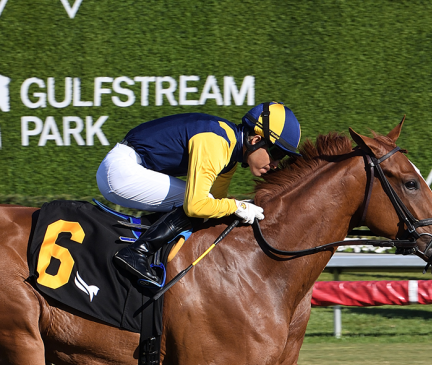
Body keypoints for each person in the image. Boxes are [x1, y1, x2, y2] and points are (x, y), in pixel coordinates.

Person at [97, 101, 302, 285]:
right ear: (256, 140)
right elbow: (197, 205)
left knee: (210, 207)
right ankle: (137, 252)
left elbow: (217, 205)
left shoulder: (230, 153)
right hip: (120, 171)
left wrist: (236, 207)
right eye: (277, 153)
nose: (276, 164)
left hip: (131, 168)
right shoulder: (217, 142)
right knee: (198, 204)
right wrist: (237, 206)